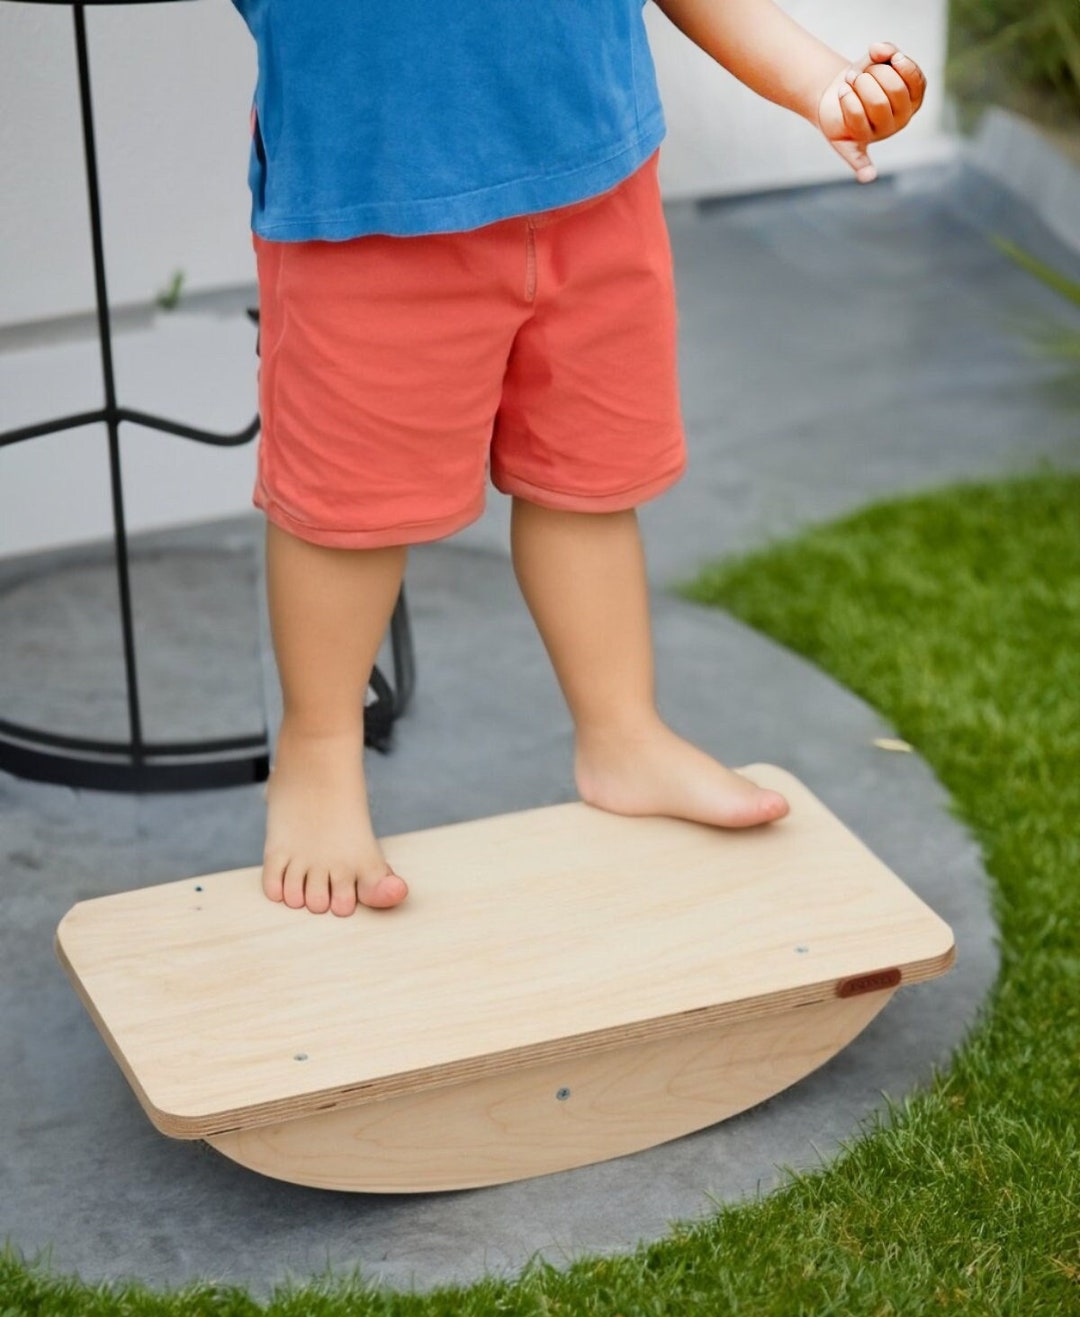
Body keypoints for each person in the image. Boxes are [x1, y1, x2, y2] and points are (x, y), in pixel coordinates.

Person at [228, 0, 926, 917]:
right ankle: (318, 755)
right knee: (347, 508)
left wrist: (817, 80)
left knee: (589, 478)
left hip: (597, 183)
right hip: (371, 197)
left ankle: (622, 732)